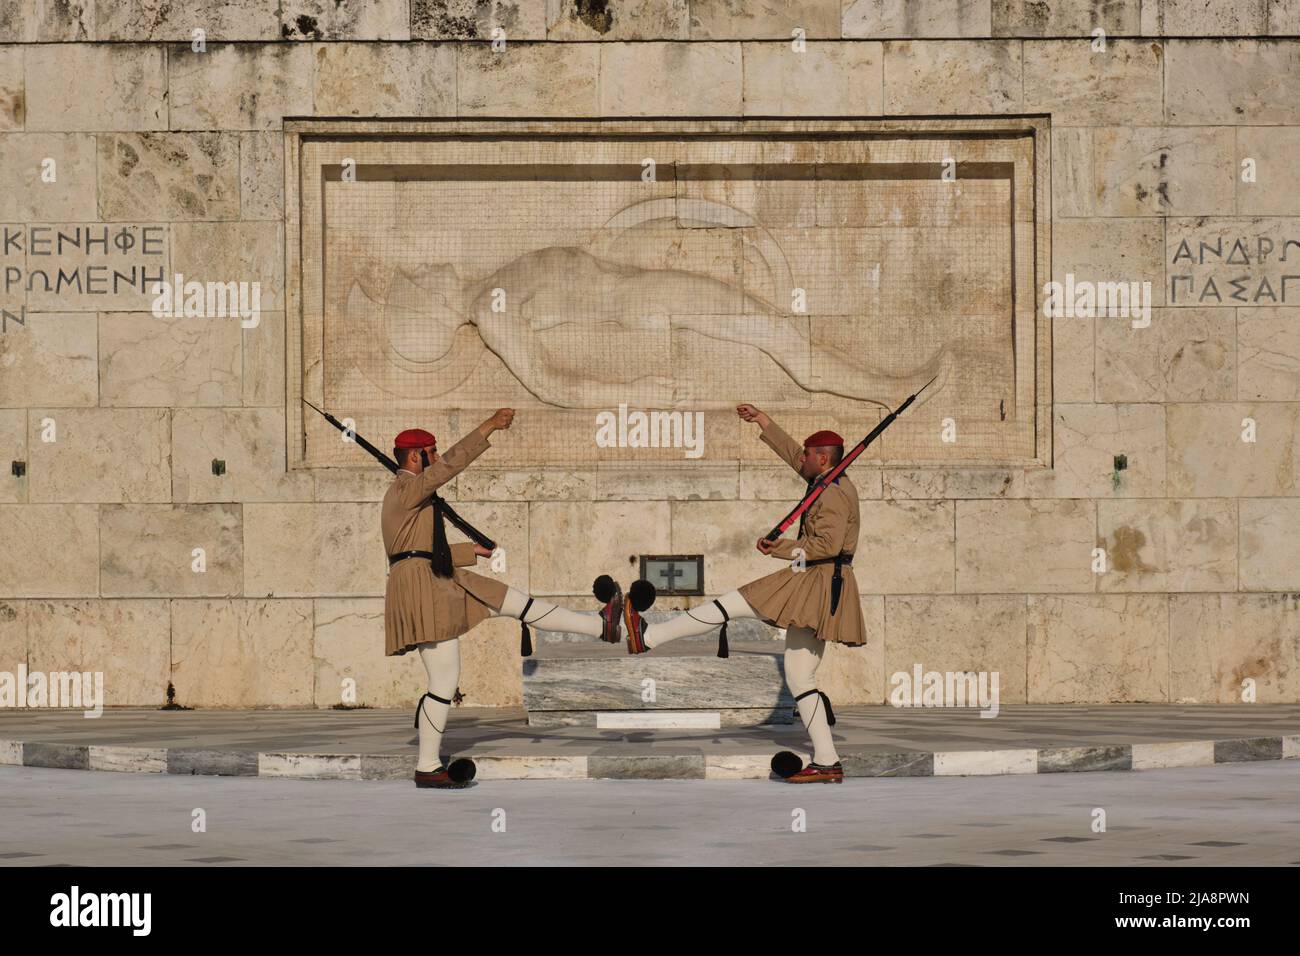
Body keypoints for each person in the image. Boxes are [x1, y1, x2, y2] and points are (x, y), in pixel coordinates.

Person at [621, 403, 865, 784]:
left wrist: (780, 547)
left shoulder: (833, 493)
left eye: (807, 454)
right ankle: (827, 761)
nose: (801, 459)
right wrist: (764, 423)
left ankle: (648, 637)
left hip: (815, 580)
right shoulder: (826, 480)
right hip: (818, 580)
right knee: (801, 678)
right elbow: (795, 459)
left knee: (731, 603)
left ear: (822, 458)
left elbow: (828, 544)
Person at [382, 408, 623, 788]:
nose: (437, 458)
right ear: (416, 457)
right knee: (443, 680)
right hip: (423, 587)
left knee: (516, 603)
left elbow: (417, 547)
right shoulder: (406, 488)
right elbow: (446, 474)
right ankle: (427, 766)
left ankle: (601, 625)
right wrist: (488, 427)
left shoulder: (409, 494)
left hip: (436, 577)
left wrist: (469, 553)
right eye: (432, 452)